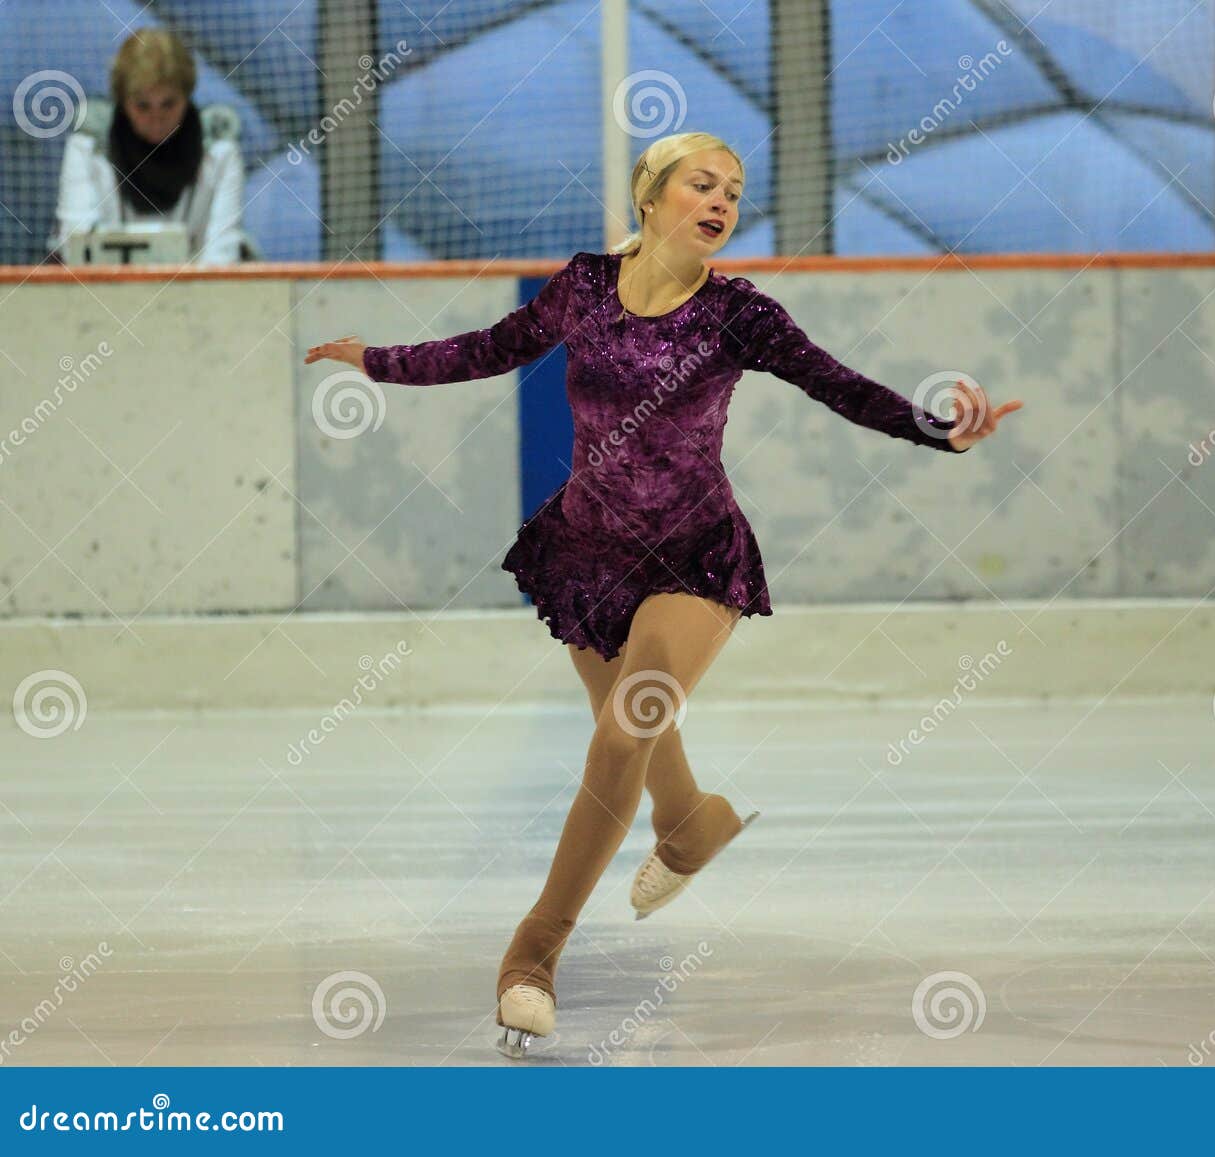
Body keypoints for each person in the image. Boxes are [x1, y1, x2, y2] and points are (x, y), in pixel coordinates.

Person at [303, 130, 1022, 1055]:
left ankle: (534, 953)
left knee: (623, 733)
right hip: (586, 552)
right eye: (702, 184)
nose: (722, 201)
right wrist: (377, 361)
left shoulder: (739, 314)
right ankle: (688, 827)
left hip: (694, 558)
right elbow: (490, 348)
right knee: (643, 742)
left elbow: (835, 384)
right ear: (650, 198)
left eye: (734, 191)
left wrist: (937, 428)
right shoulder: (583, 287)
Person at [49, 27, 246, 266]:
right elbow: (77, 244)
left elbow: (221, 254)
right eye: (143, 106)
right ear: (123, 102)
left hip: (196, 286)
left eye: (168, 104)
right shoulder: (88, 146)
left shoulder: (220, 151)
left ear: (187, 97)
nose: (156, 118)